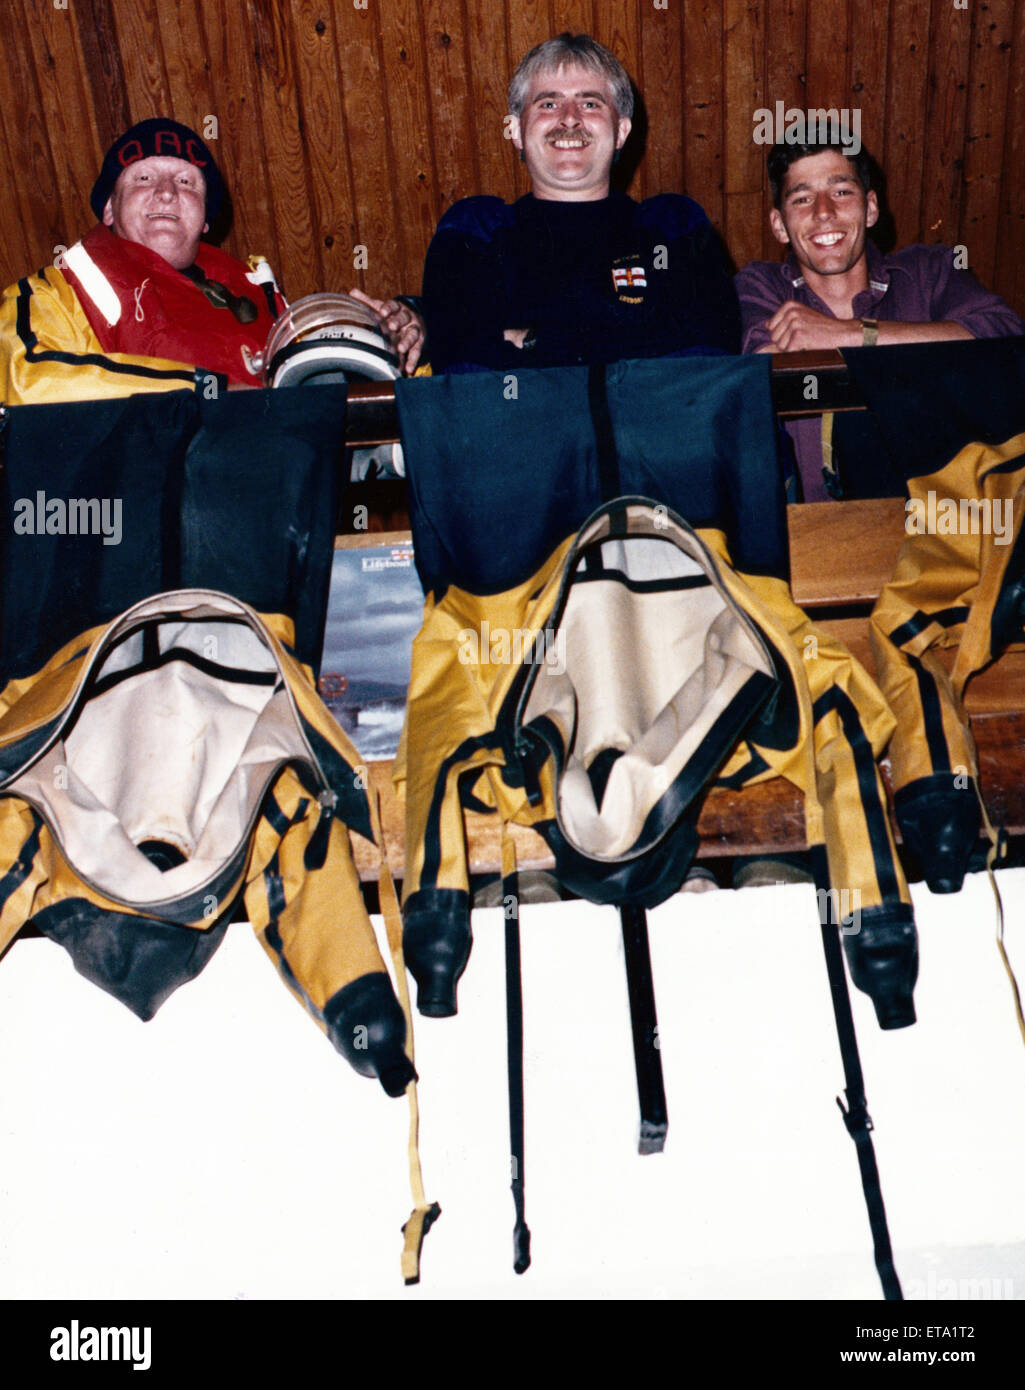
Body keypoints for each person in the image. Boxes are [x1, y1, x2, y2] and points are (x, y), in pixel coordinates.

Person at [0, 118, 424, 405]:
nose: (167, 192)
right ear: (109, 210)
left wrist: (400, 348)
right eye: (144, 178)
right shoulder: (56, 291)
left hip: (284, 496)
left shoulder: (269, 302)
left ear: (204, 220)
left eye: (186, 183)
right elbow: (28, 380)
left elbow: (344, 404)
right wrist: (210, 391)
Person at [421, 32, 740, 373]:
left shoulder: (672, 225)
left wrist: (532, 338)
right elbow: (459, 364)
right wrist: (627, 339)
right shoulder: (477, 230)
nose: (570, 119)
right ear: (515, 130)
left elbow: (710, 355)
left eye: (590, 104)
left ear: (621, 131)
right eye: (548, 103)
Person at [736, 138, 1024, 500]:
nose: (823, 211)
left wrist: (852, 334)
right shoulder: (760, 285)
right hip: (809, 536)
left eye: (841, 191)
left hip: (940, 530)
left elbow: (1005, 338)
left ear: (871, 208)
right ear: (779, 225)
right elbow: (764, 368)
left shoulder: (929, 270)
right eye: (802, 198)